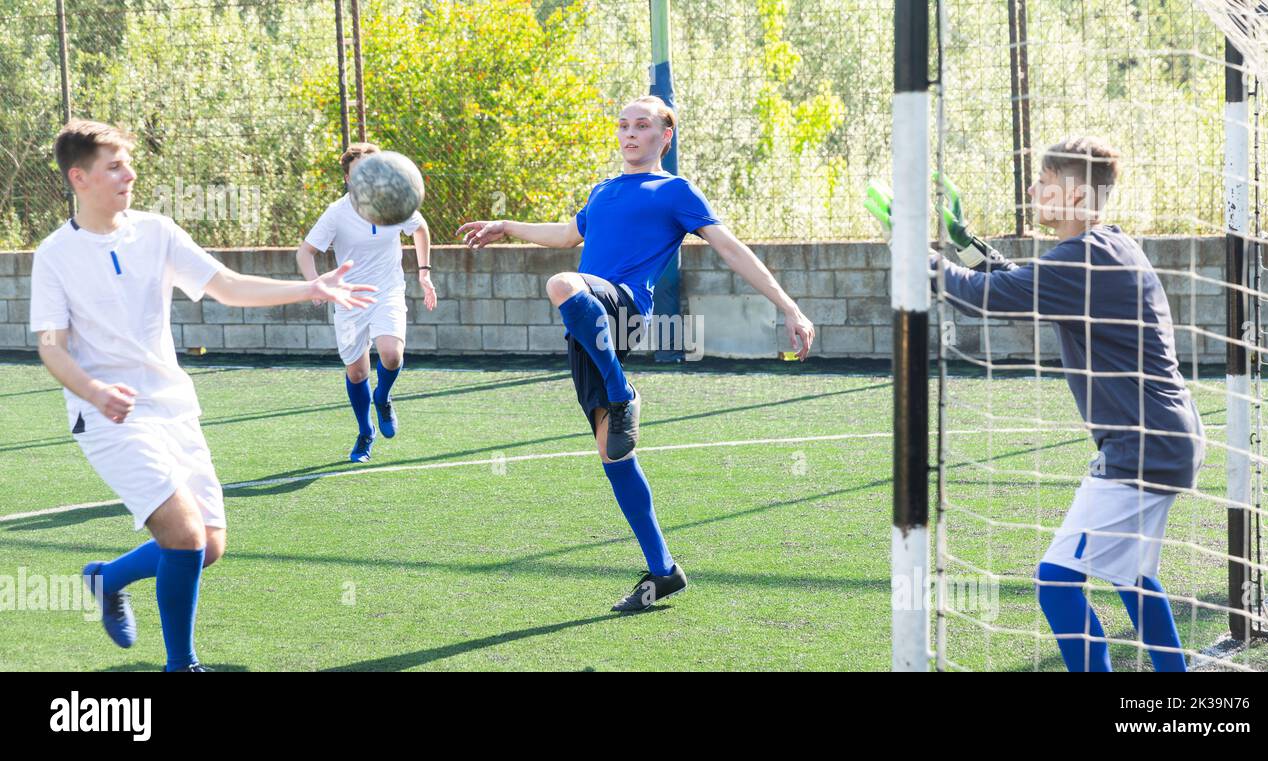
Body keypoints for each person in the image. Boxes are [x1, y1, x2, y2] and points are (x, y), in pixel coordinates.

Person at [30, 119, 376, 671]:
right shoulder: (54, 255)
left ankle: (107, 577)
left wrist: (310, 287)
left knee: (208, 546)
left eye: (128, 162)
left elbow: (227, 285)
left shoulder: (157, 231)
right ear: (79, 178)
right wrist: (94, 391)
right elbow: (51, 346)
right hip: (109, 417)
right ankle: (182, 664)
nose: (130, 173)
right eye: (114, 166)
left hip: (173, 404)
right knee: (184, 536)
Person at [457, 96, 816, 612]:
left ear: (664, 136)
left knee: (561, 283)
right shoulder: (602, 190)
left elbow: (730, 247)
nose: (629, 133)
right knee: (614, 456)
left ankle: (624, 393)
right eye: (623, 125)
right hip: (589, 322)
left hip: (623, 308)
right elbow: (568, 234)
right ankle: (663, 570)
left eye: (642, 126)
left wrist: (788, 306)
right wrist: (507, 227)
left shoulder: (675, 191)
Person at [871, 137, 1204, 671]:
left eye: (1044, 182)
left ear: (1074, 196)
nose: (1032, 190)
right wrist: (964, 243)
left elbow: (984, 297)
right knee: (1130, 577)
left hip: (1141, 446)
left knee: (1055, 582)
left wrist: (909, 246)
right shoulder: (1106, 247)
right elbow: (1019, 282)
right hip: (1164, 438)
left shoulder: (1083, 261)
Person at [296, 142, 436, 463]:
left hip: (387, 291)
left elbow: (421, 229)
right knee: (357, 373)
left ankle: (383, 397)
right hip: (349, 298)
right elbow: (305, 252)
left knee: (390, 353)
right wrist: (315, 283)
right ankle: (365, 432)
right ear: (347, 178)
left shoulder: (395, 204)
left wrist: (424, 273)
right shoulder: (336, 213)